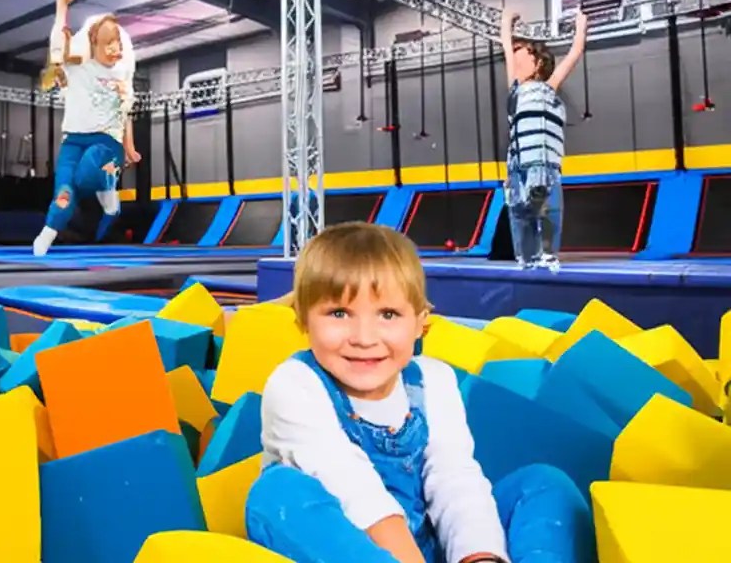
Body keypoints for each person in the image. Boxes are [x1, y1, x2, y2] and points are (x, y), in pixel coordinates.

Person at [244, 222, 595, 563]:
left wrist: (480, 556)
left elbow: (454, 479)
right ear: (303, 320)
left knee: (543, 483)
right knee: (276, 493)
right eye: (339, 313)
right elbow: (348, 484)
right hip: (344, 545)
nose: (364, 338)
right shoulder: (295, 383)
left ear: (419, 322)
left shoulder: (433, 381)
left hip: (425, 544)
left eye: (388, 314)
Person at [32, 0, 142, 256]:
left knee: (92, 164)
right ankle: (46, 234)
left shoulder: (122, 75)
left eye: (117, 43)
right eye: (109, 44)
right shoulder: (77, 68)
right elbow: (58, 41)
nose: (115, 49)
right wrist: (61, 4)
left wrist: (128, 146)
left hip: (107, 144)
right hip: (73, 142)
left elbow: (124, 112)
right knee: (65, 192)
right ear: (93, 45)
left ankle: (107, 191)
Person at [499, 9, 588, 272]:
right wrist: (506, 23)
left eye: (521, 56)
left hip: (544, 161)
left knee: (549, 209)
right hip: (518, 163)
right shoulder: (516, 88)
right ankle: (526, 259)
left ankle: (547, 256)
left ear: (538, 63)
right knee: (519, 212)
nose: (514, 61)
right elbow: (506, 47)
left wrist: (580, 28)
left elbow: (575, 53)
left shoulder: (549, 86)